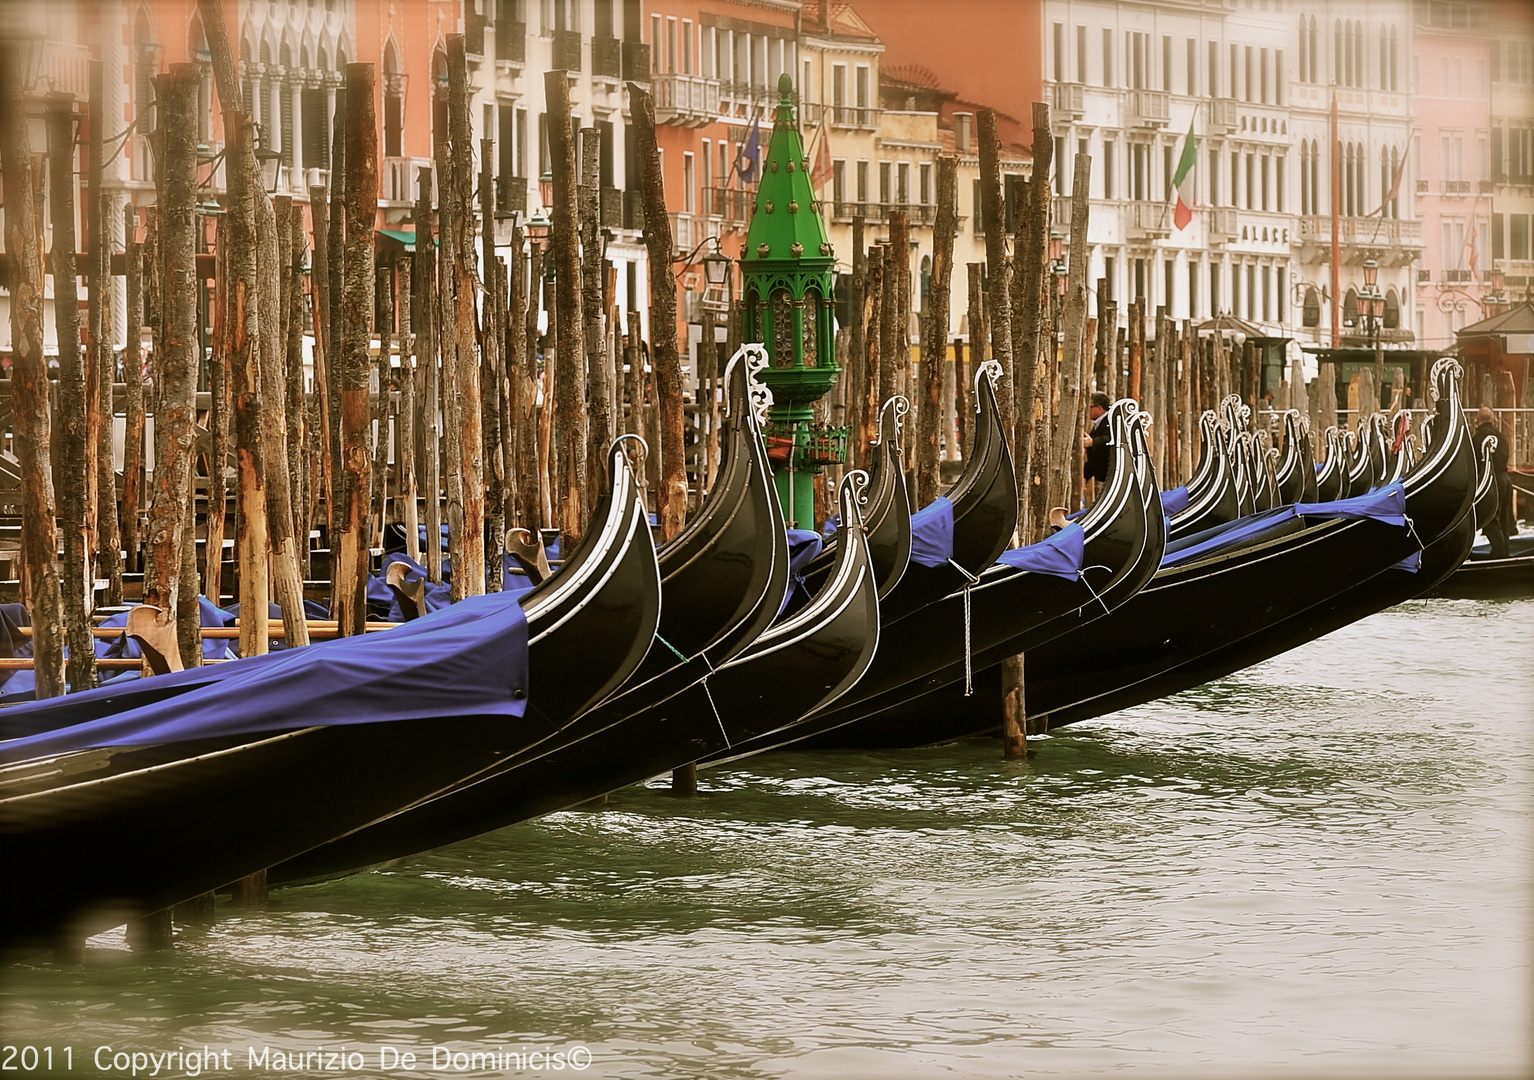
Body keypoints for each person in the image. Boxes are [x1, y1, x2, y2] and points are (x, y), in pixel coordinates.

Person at [1473, 406, 1514, 559]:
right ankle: (1505, 552)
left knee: (1490, 518)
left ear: (1477, 421)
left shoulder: (1477, 438)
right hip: (1505, 479)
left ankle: (1498, 552)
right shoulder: (1502, 436)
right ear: (1493, 419)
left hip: (1490, 481)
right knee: (1504, 518)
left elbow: (1475, 462)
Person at [1083, 392, 1112, 484]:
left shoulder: (1111, 421)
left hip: (1112, 474)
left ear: (1099, 408)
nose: (1087, 410)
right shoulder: (1099, 424)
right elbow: (1095, 457)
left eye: (1090, 407)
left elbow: (1110, 439)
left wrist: (1093, 442)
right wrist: (1084, 476)